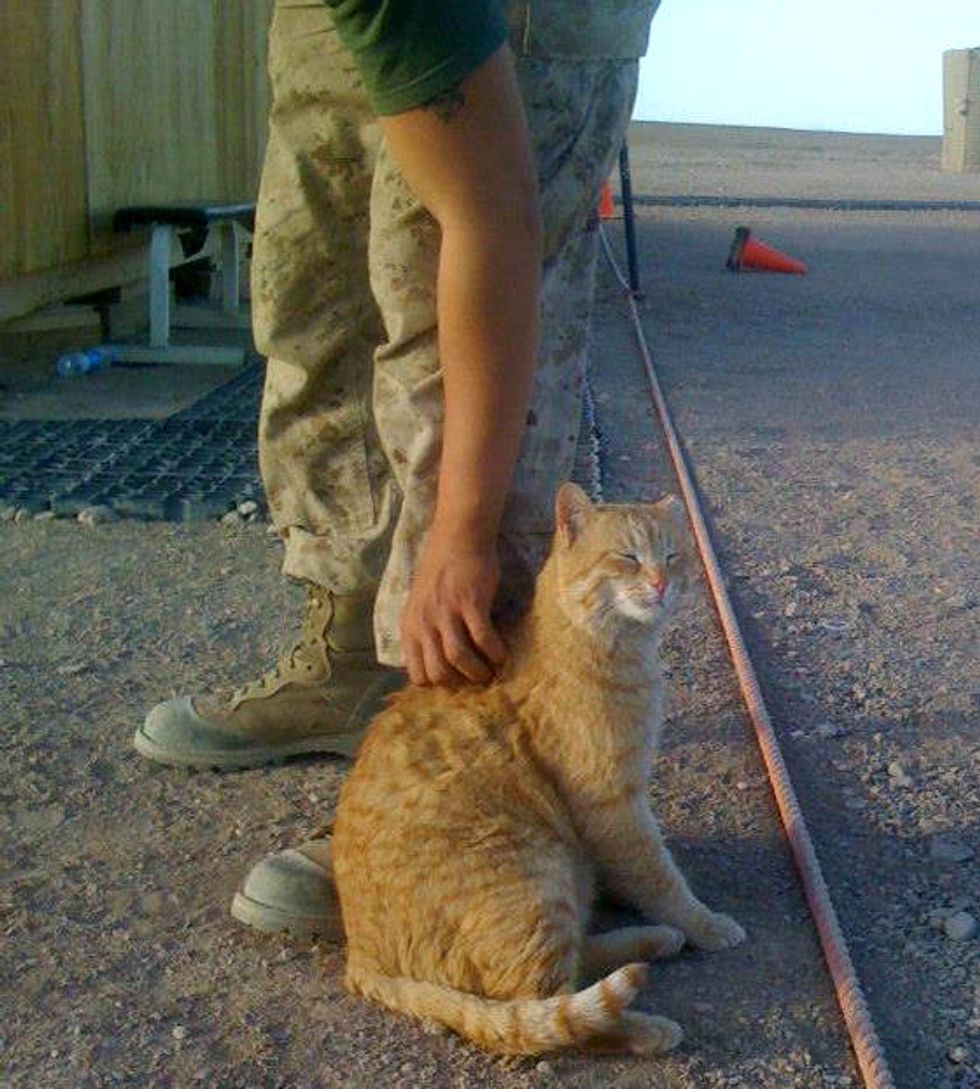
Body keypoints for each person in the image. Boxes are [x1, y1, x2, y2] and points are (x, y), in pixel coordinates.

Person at [134, 0, 660, 937]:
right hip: (350, 24)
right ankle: (349, 658)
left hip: (523, 22)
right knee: (315, 299)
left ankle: (494, 794)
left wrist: (461, 535)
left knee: (445, 323)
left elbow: (495, 223)